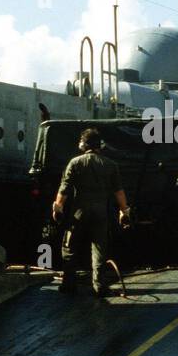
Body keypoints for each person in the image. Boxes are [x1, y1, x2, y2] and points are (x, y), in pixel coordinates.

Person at [53, 127, 130, 297]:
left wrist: (58, 207)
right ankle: (99, 286)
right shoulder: (111, 165)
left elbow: (64, 189)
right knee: (99, 248)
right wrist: (124, 211)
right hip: (100, 213)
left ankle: (69, 284)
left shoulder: (75, 163)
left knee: (69, 247)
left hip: (78, 212)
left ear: (82, 144)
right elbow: (119, 191)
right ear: (100, 145)